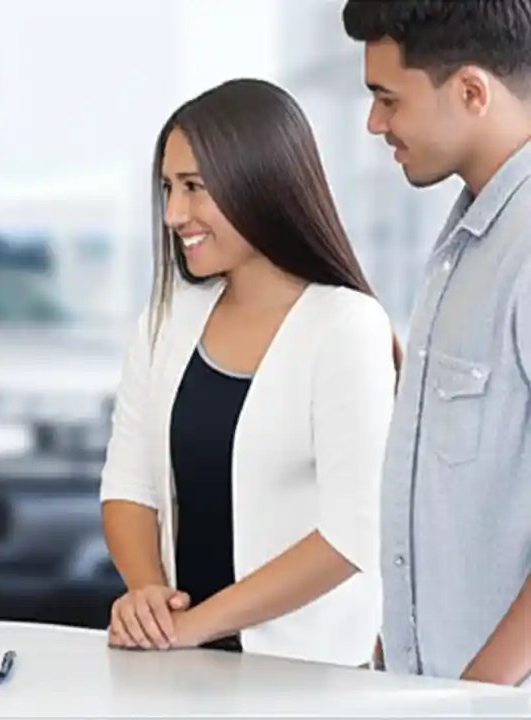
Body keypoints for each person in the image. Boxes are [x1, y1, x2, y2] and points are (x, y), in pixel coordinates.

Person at [99, 79, 398, 666]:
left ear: (260, 186)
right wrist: (149, 597)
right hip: (181, 671)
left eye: (193, 188)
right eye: (166, 188)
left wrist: (194, 627)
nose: (173, 215)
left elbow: (352, 534)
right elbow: (128, 487)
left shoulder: (347, 325)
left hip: (313, 679)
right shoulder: (165, 321)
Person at [343, 0, 531, 687]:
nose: (375, 124)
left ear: (472, 92)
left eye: (388, 99)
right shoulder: (469, 240)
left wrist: (476, 696)